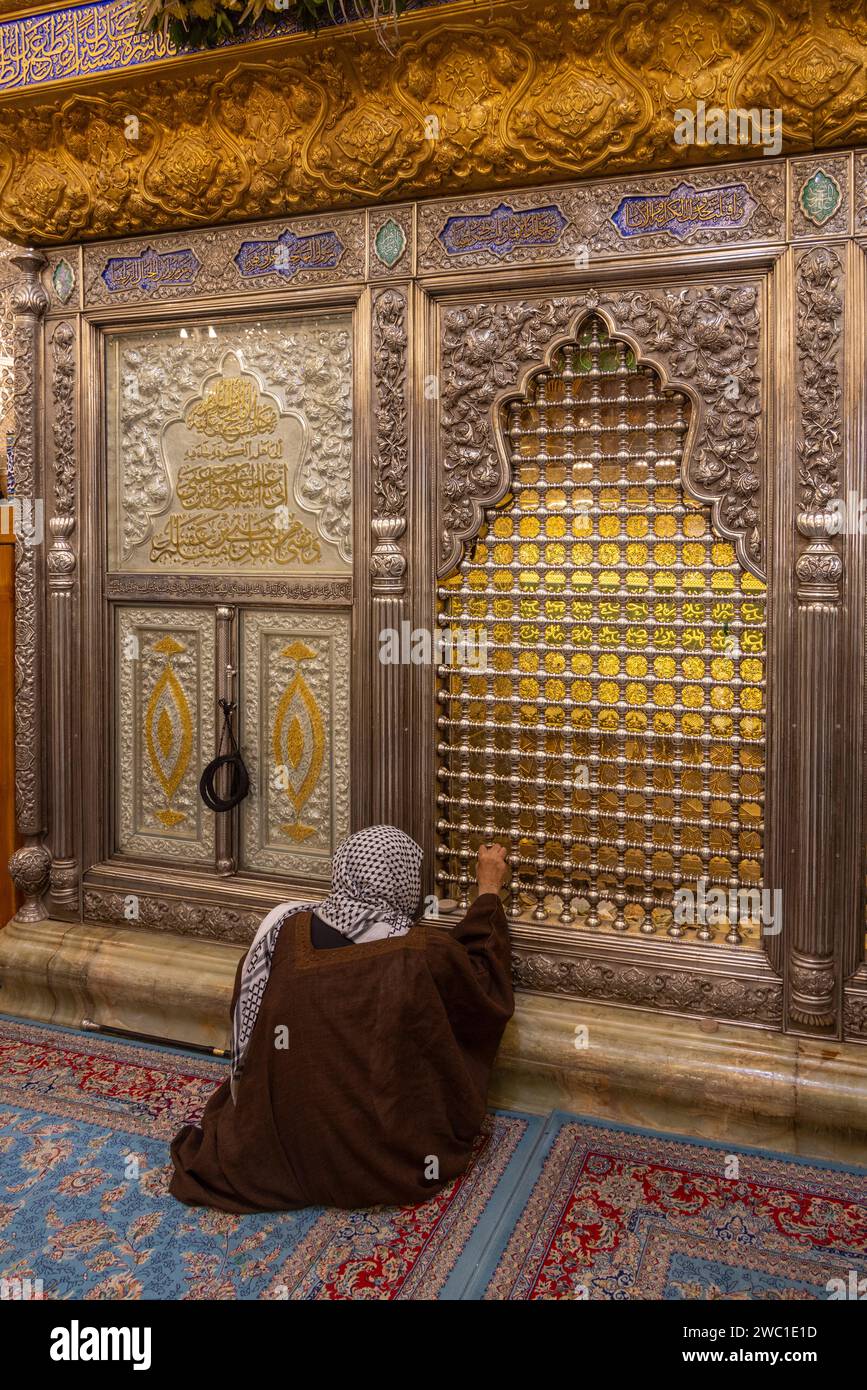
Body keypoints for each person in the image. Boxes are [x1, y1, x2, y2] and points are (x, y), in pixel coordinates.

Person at [169, 825, 513, 1212]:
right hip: (374, 1159)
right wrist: (488, 891)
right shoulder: (418, 952)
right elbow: (479, 982)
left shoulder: (284, 927)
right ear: (405, 881)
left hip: (275, 1142)